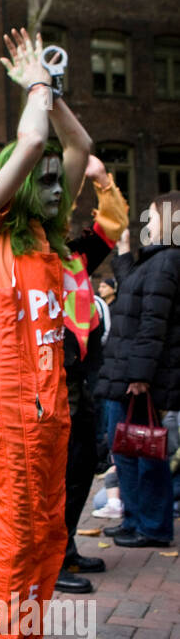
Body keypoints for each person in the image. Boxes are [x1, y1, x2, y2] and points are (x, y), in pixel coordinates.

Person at [0, 28, 92, 639]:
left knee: (48, 529)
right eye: (34, 177)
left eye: (53, 184)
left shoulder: (47, 235)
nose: (49, 182)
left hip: (49, 403)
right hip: (3, 399)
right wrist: (36, 83)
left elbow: (77, 147)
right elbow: (38, 142)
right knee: (17, 526)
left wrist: (54, 90)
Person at [56, 155, 127, 590]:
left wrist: (101, 179)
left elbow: (114, 227)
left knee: (81, 466)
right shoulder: (25, 256)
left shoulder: (76, 255)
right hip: (47, 383)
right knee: (54, 475)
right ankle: (50, 561)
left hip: (78, 381)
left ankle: (64, 547)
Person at [96, 190, 180, 548]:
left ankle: (153, 526)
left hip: (141, 377)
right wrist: (125, 251)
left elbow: (153, 321)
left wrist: (140, 376)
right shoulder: (155, 260)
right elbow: (132, 291)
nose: (147, 221)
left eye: (153, 216)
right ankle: (134, 519)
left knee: (146, 453)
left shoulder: (169, 260)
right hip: (126, 372)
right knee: (127, 450)